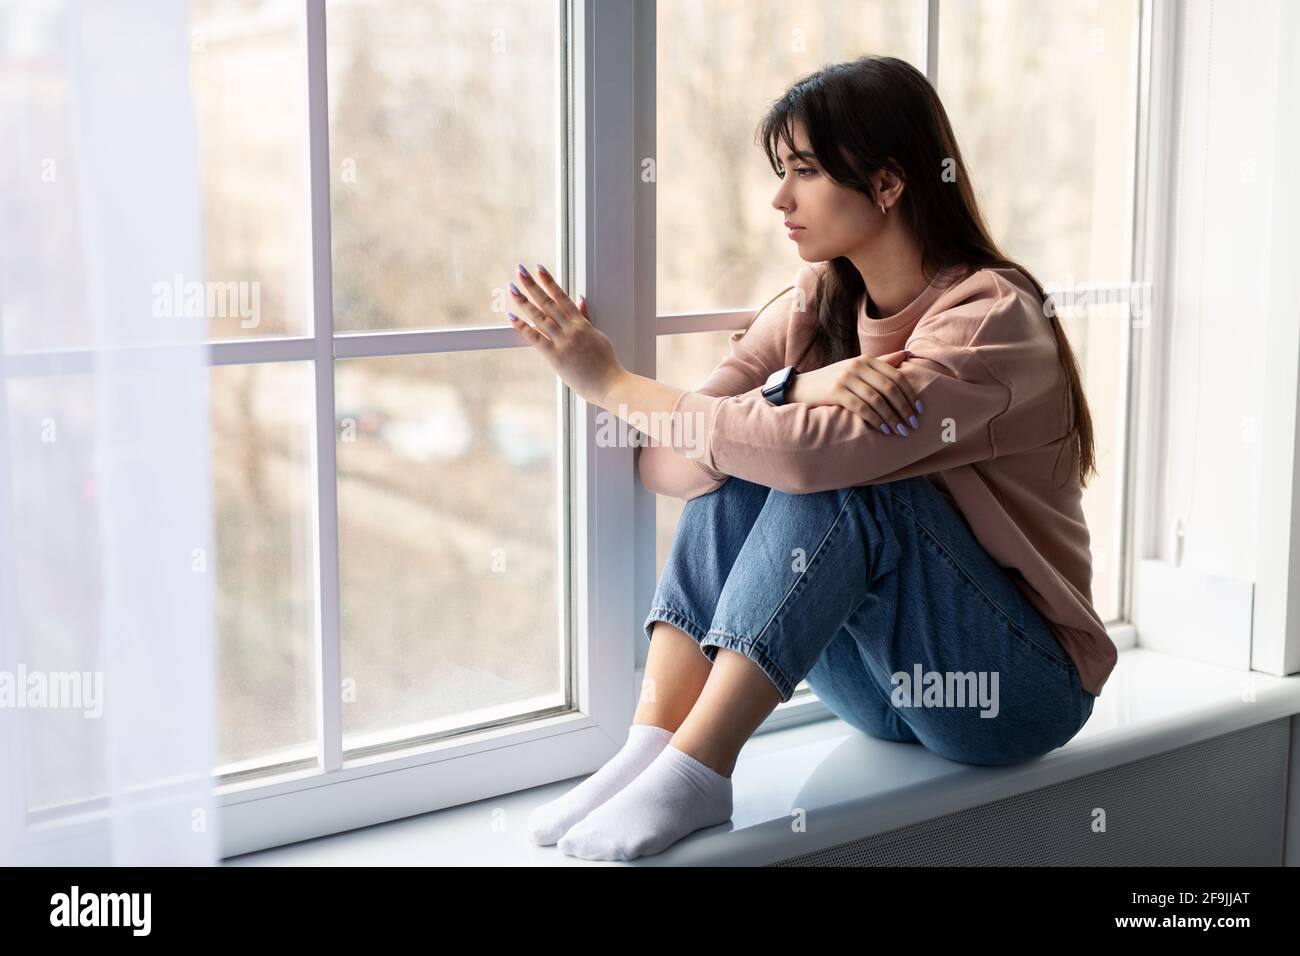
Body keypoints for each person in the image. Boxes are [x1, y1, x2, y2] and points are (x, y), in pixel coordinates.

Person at [505, 55, 1117, 862]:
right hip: (878, 691)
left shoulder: (988, 319)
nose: (778, 198)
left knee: (844, 479)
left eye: (804, 171)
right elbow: (669, 465)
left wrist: (610, 381)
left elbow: (806, 465)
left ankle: (699, 771)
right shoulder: (813, 306)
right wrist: (797, 387)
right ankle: (652, 748)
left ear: (890, 183)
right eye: (779, 172)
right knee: (735, 467)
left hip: (1014, 691)